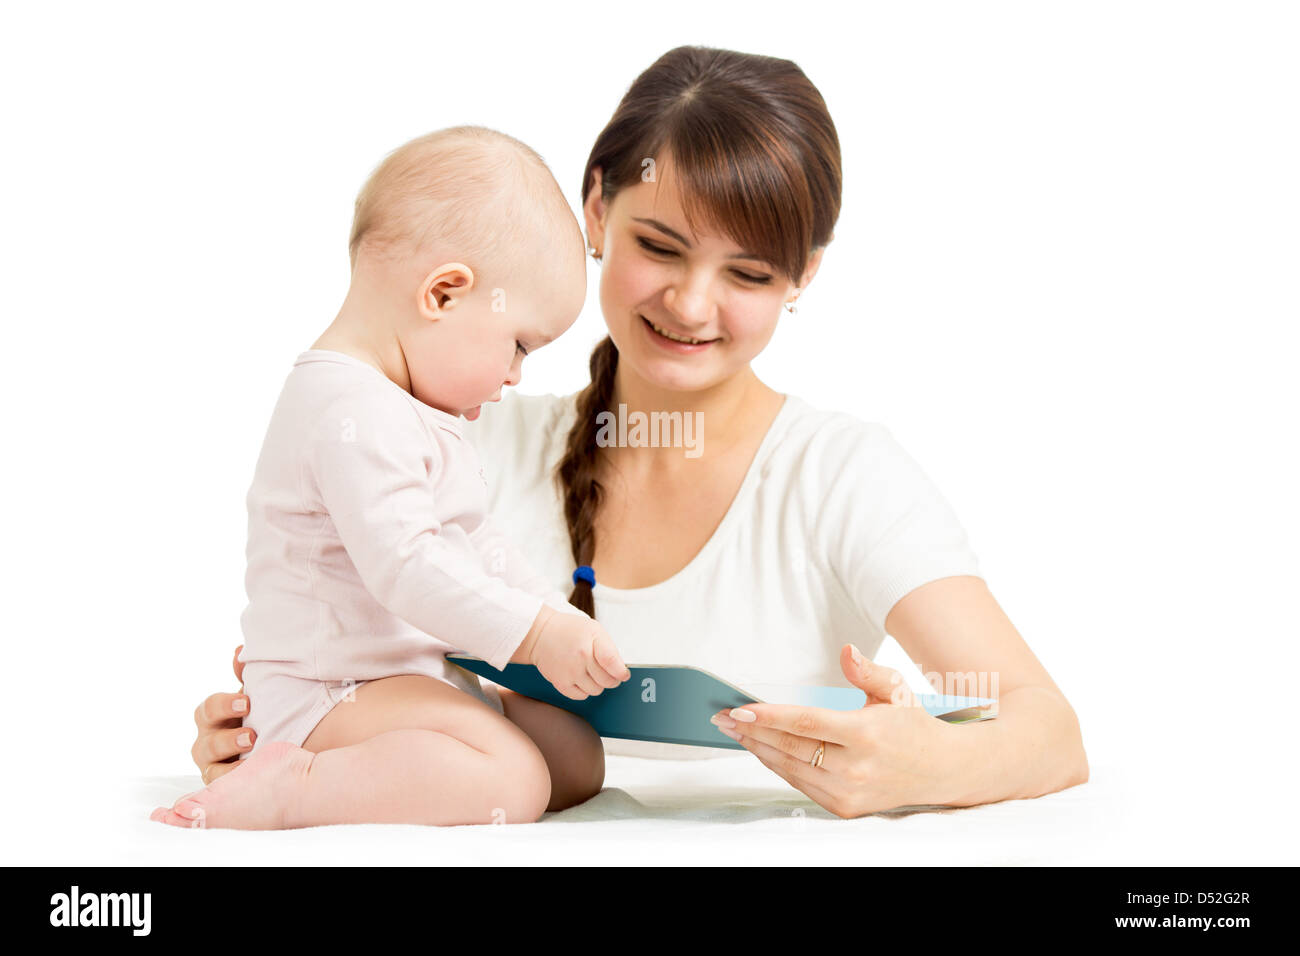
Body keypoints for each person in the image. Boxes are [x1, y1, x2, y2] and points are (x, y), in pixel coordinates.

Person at [188, 46, 1089, 820]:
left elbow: (1045, 728)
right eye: (659, 246)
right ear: (594, 209)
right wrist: (271, 744)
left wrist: (921, 765)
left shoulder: (840, 478)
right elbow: (352, 646)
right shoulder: (462, 435)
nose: (691, 305)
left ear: (803, 276)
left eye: (747, 271)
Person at [151, 126, 631, 830]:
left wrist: (552, 620)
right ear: (442, 293)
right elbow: (405, 565)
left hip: (401, 682)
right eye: (518, 345)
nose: (513, 377)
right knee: (516, 779)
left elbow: (474, 544)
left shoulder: (413, 410)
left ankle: (356, 771)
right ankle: (296, 783)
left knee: (574, 758)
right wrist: (530, 635)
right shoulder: (348, 404)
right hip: (328, 693)